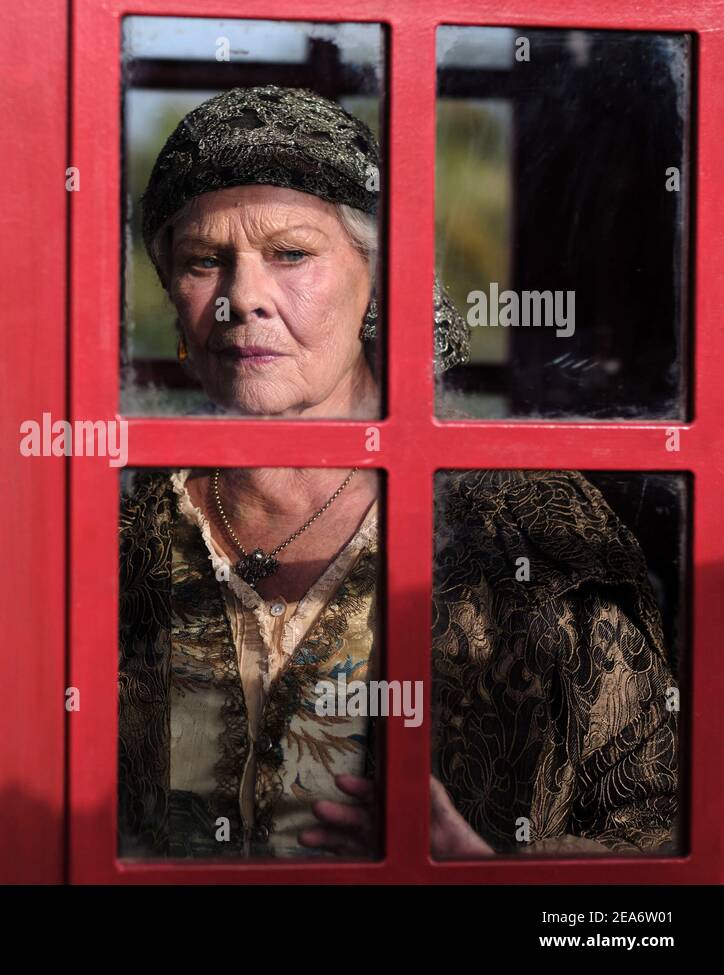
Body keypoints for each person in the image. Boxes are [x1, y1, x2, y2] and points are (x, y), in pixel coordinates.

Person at [118, 86, 678, 859]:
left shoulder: (527, 528)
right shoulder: (120, 535)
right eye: (203, 261)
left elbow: (661, 853)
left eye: (291, 253)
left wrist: (487, 876)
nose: (241, 299)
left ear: (376, 281)